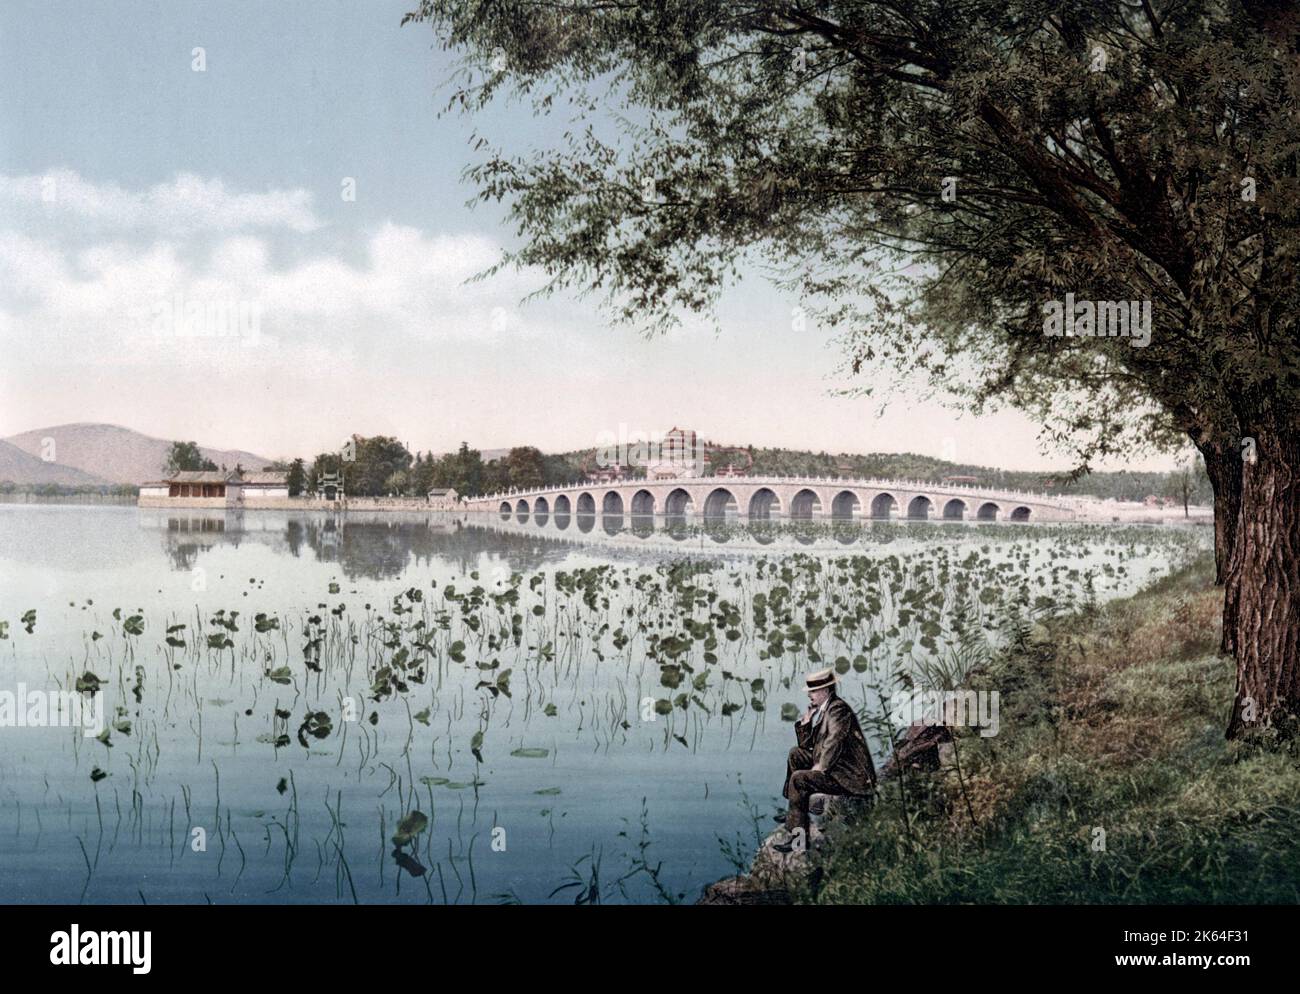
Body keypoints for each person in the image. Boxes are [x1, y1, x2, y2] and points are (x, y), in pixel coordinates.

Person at [775, 668, 876, 852]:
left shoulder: (838, 709)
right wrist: (806, 723)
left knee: (798, 779)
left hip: (849, 777)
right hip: (838, 769)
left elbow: (834, 741)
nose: (810, 696)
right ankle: (794, 811)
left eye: (813, 691)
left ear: (825, 691)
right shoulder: (825, 709)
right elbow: (808, 747)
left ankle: (799, 840)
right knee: (795, 754)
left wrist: (820, 767)